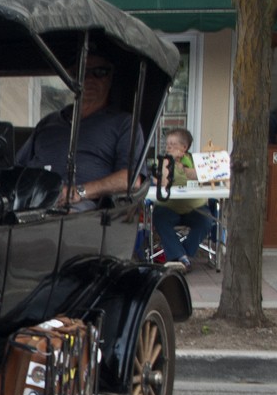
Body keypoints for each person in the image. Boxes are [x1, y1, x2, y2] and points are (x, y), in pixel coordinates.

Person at [16, 54, 146, 212]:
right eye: (82, 73)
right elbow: (18, 166)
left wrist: (79, 191)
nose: (89, 79)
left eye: (99, 72)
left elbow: (130, 179)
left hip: (83, 210)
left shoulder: (124, 124)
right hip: (31, 200)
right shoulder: (48, 122)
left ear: (111, 76)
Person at [152, 128, 213, 272]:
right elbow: (162, 182)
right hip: (169, 207)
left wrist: (183, 166)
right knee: (159, 218)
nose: (168, 147)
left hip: (195, 207)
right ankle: (182, 258)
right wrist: (170, 161)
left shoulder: (195, 161)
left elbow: (202, 176)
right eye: (167, 144)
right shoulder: (162, 161)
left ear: (184, 147)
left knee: (206, 221)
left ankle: (180, 255)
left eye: (173, 144)